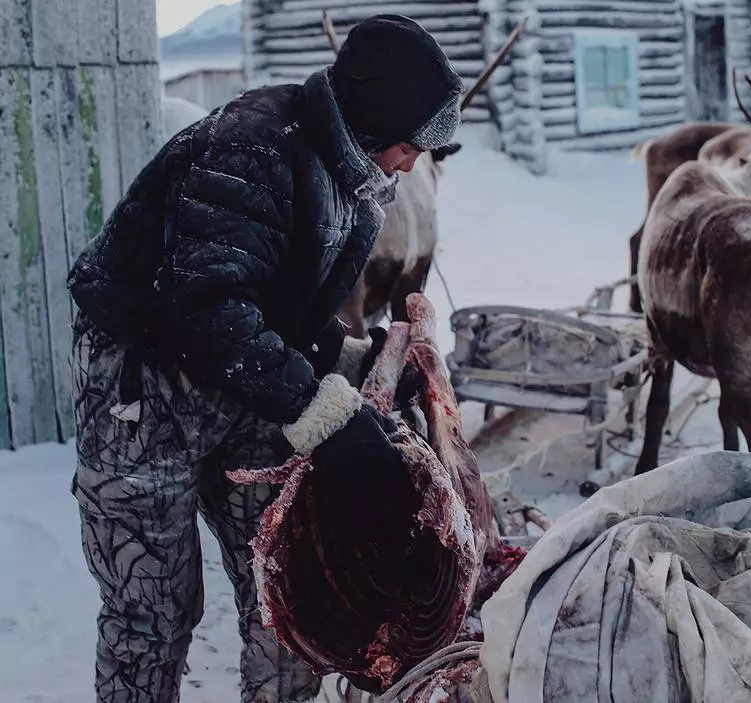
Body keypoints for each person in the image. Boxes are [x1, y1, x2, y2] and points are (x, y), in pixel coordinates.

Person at [66, 14, 464, 703]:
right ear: (375, 117)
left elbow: (288, 308)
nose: (412, 161)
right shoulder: (253, 148)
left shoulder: (362, 173)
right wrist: (323, 414)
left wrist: (356, 365)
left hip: (243, 379)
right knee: (151, 609)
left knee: (290, 587)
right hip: (143, 386)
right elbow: (207, 305)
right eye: (410, 142)